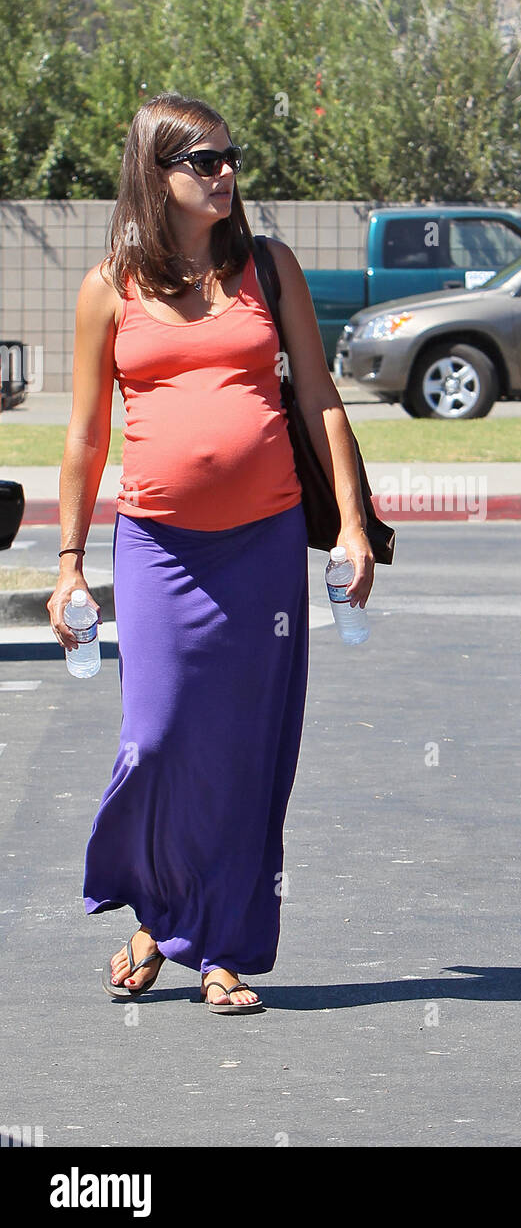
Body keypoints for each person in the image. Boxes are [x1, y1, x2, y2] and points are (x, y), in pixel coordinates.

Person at [47, 92, 375, 1015]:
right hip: (156, 549)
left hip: (263, 546)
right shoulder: (109, 286)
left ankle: (218, 946)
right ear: (156, 174)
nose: (226, 174)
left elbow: (318, 399)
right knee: (155, 739)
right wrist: (70, 561)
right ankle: (156, 909)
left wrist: (351, 524)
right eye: (204, 162)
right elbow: (83, 437)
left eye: (232, 158)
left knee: (244, 751)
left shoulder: (268, 270)